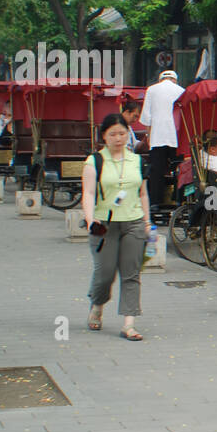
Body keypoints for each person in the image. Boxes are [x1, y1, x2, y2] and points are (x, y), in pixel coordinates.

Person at [82, 113, 152, 342]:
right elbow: (89, 193)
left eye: (122, 133)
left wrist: (147, 222)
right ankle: (97, 304)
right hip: (104, 224)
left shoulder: (137, 161)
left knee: (131, 274)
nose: (118, 138)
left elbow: (143, 193)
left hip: (133, 222)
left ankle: (129, 323)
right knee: (105, 273)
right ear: (104, 136)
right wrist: (91, 219)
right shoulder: (95, 161)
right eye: (113, 134)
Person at [139, 69, 184, 207]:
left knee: (156, 171)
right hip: (177, 138)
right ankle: (179, 200)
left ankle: (155, 202)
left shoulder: (151, 90)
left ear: (160, 79)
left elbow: (147, 118)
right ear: (174, 79)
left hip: (157, 137)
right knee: (179, 169)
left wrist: (148, 136)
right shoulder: (182, 90)